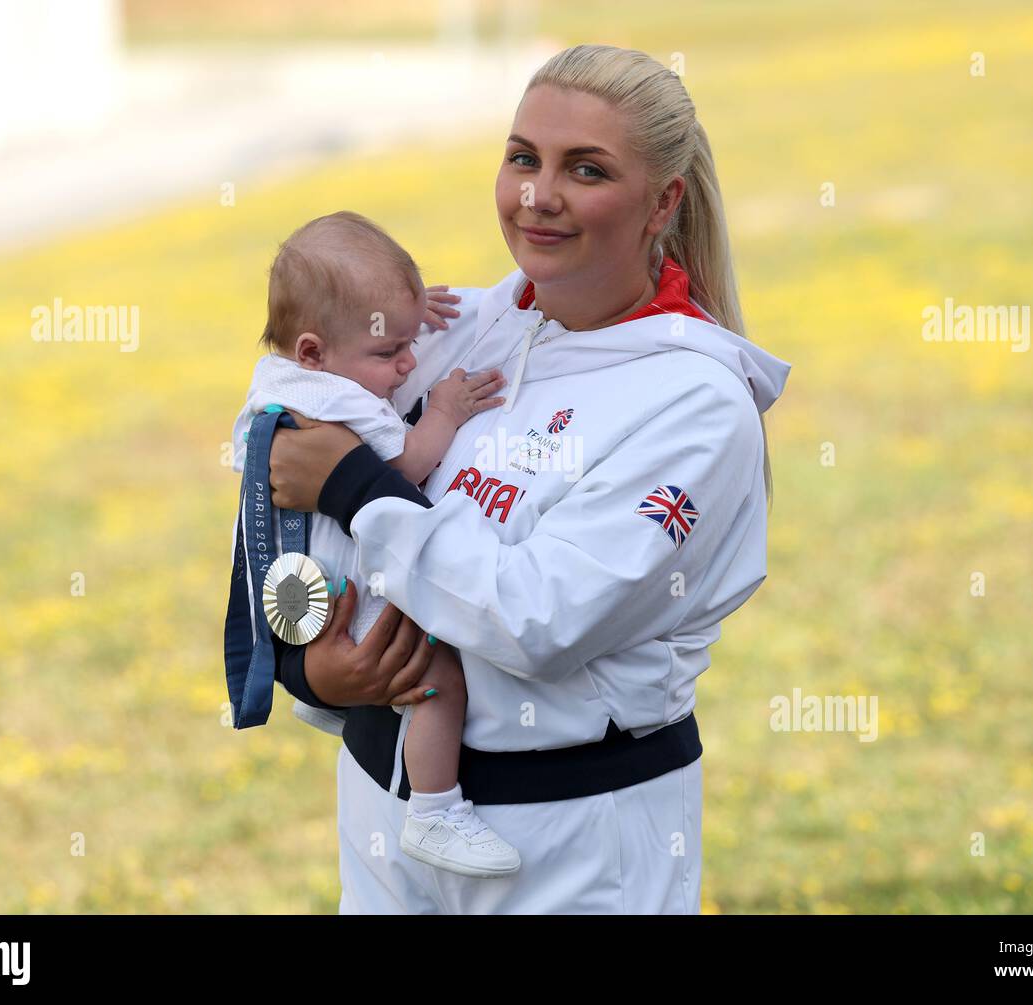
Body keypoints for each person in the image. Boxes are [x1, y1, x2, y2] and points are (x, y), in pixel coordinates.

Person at [265, 44, 792, 914]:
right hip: (381, 815)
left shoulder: (697, 403)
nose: (537, 195)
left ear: (664, 201)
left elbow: (537, 617)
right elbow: (282, 491)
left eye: (585, 169)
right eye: (522, 158)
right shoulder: (450, 327)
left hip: (569, 841)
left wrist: (360, 488)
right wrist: (308, 668)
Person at [230, 211, 521, 877]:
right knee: (437, 679)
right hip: (358, 588)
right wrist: (445, 408)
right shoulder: (347, 402)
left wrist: (407, 310)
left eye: (413, 339)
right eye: (390, 352)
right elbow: (410, 463)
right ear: (313, 350)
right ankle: (435, 810)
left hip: (307, 583)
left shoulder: (279, 382)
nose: (410, 363)